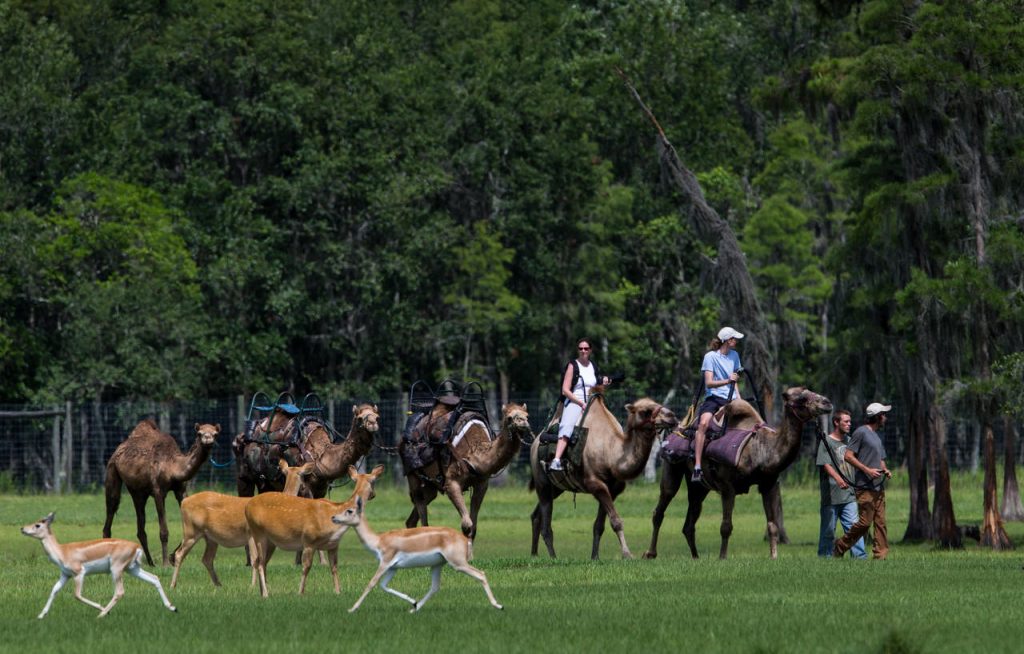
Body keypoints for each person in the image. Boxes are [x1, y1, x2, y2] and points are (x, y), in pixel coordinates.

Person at [833, 402, 893, 560]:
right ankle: (840, 546)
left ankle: (880, 556)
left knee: (880, 523)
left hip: (878, 486)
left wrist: (884, 469)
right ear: (878, 417)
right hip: (864, 487)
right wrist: (867, 470)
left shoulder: (877, 436)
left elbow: (880, 459)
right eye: (884, 415)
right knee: (865, 523)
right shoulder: (861, 432)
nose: (885, 418)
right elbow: (848, 455)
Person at [691, 327, 744, 482]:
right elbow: (709, 383)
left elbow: (735, 382)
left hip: (732, 399)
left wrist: (739, 399)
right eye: (735, 338)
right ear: (728, 340)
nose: (737, 341)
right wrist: (728, 381)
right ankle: (698, 466)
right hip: (714, 399)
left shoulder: (735, 355)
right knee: (703, 424)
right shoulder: (710, 357)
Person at [549, 338, 609, 471]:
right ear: (578, 350)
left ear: (590, 350)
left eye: (586, 348)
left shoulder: (593, 365)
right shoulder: (572, 365)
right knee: (567, 426)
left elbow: (596, 381)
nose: (583, 351)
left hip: (593, 402)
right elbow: (565, 390)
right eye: (581, 348)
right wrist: (581, 403)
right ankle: (556, 460)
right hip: (575, 401)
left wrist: (604, 380)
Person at [816, 410, 866, 559]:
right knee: (828, 531)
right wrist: (838, 479)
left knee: (854, 529)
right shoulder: (826, 441)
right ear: (836, 422)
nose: (849, 424)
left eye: (850, 421)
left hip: (849, 495)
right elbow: (825, 464)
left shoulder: (850, 441)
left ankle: (859, 558)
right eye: (846, 421)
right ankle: (825, 558)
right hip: (831, 496)